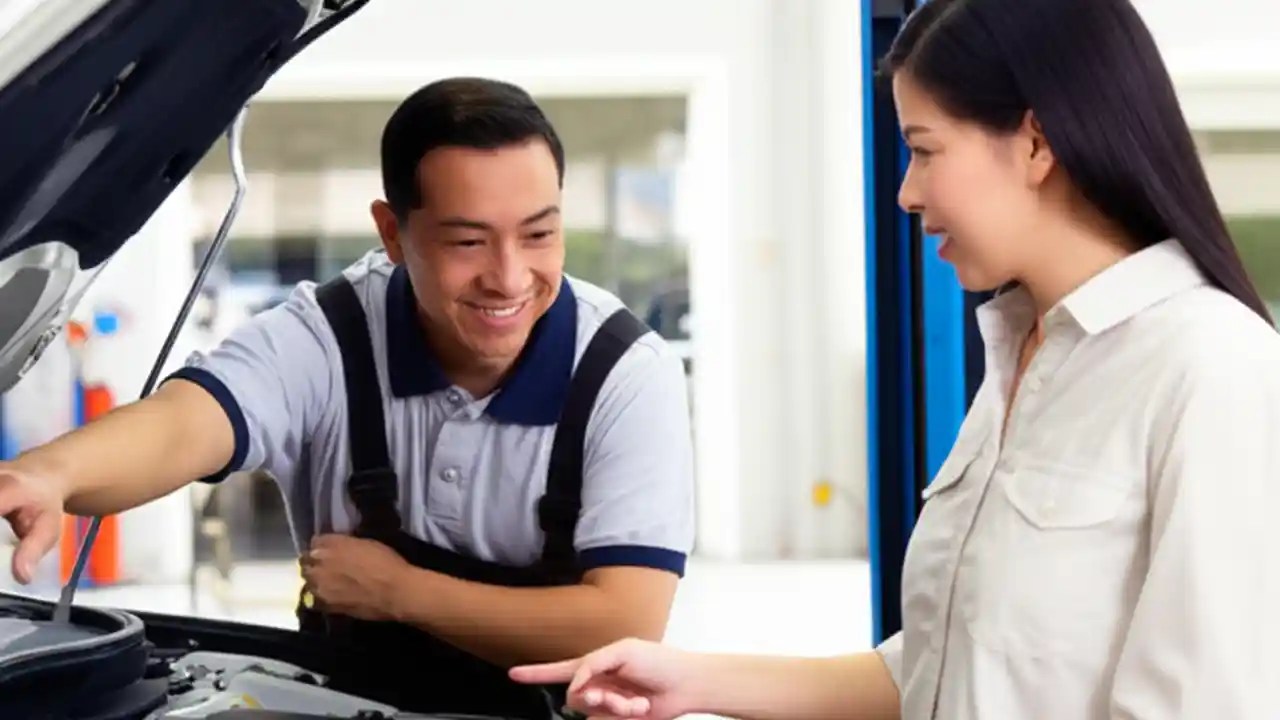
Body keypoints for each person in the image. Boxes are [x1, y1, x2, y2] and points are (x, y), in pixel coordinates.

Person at [508, 1, 1280, 718]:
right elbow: (943, 666)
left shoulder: (1211, 367)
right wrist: (692, 679)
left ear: (1037, 142)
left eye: (923, 148)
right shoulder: (1027, 357)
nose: (907, 192)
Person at [0, 77, 696, 718]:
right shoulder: (328, 336)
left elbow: (624, 624)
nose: (510, 278)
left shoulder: (622, 373)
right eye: (467, 241)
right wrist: (52, 473)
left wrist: (402, 593)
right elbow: (186, 423)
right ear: (392, 233)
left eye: (539, 234)